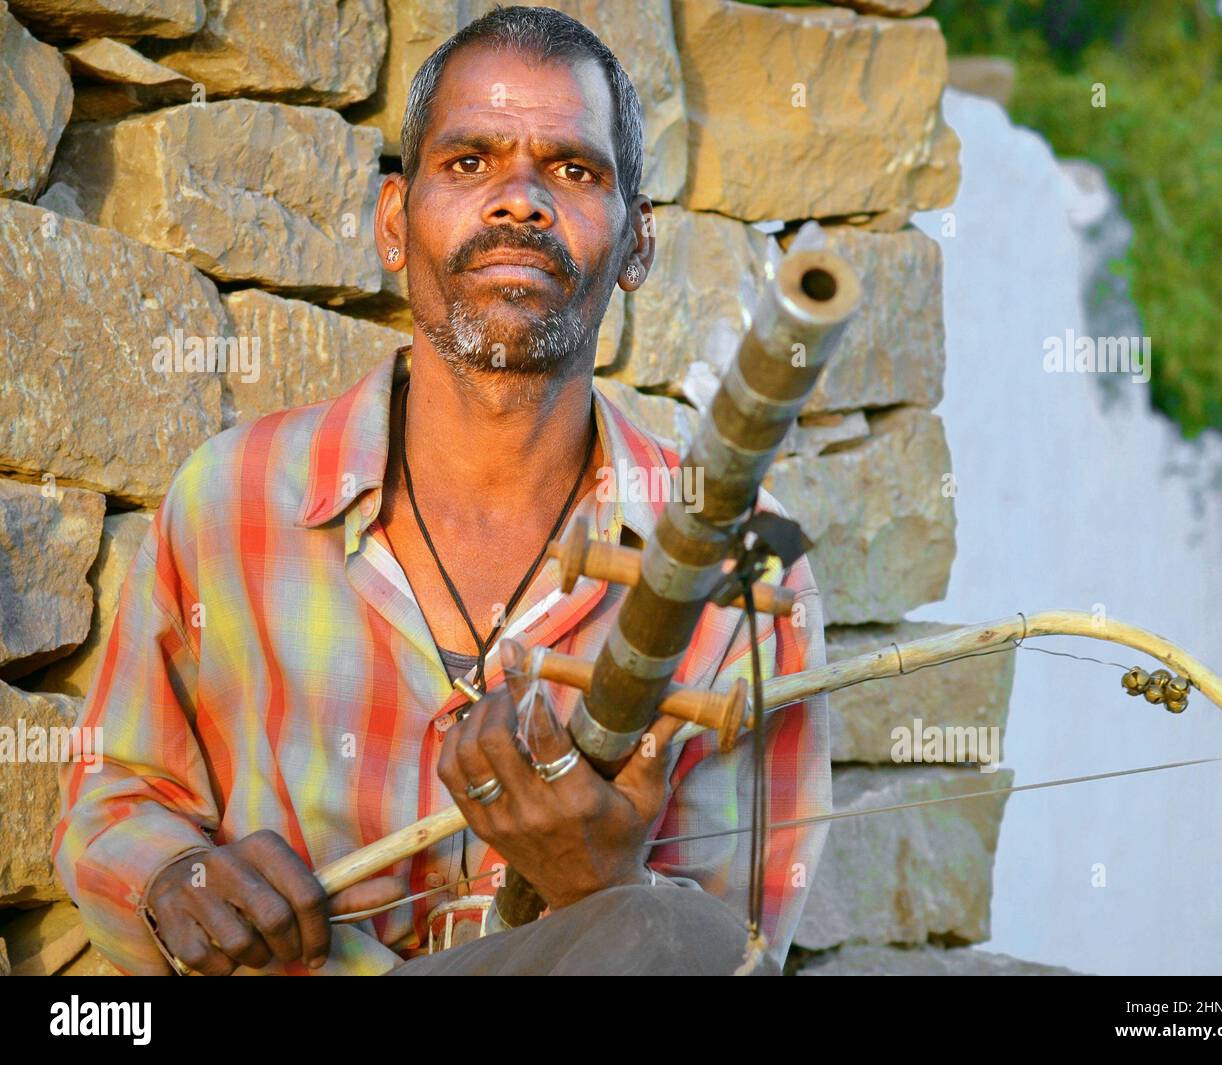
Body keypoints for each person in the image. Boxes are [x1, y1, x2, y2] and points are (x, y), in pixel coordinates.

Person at [54, 4, 831, 977]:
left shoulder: (745, 571)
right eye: (469, 162)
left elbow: (737, 952)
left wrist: (600, 888)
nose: (519, 200)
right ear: (392, 221)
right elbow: (116, 789)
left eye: (573, 169)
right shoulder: (234, 499)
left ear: (637, 243)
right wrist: (174, 881)